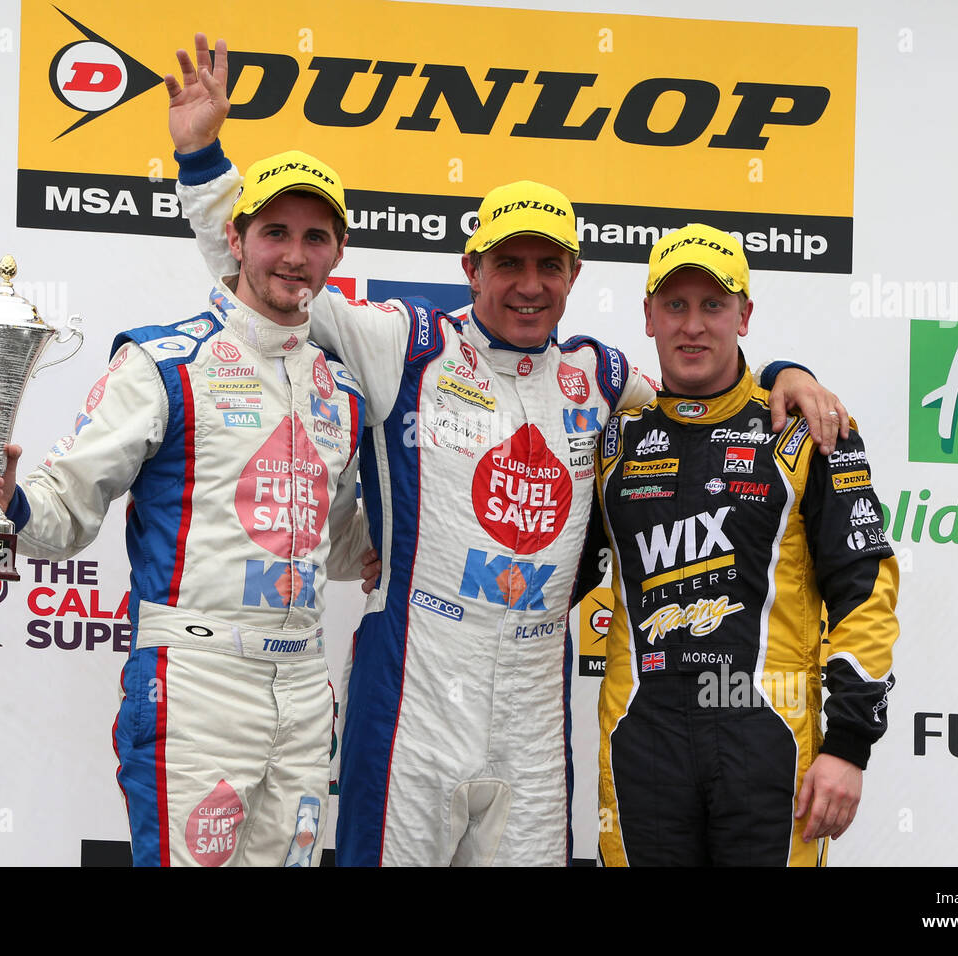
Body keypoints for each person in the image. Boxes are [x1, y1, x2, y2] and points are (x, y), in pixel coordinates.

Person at [167, 35, 850, 866]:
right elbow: (273, 284)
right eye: (508, 263)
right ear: (470, 267)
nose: (528, 284)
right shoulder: (405, 344)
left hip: (533, 706)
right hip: (414, 691)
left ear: (573, 274)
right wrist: (203, 156)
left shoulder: (597, 376)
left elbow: (698, 389)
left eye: (547, 265)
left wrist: (787, 372)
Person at [0, 136, 370, 866]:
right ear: (235, 238)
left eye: (315, 237)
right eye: (274, 232)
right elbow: (69, 508)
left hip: (306, 693)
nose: (294, 255)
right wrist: (11, 502)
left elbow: (337, 544)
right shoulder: (164, 362)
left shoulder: (341, 390)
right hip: (196, 681)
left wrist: (414, 544)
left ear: (338, 252)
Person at [583, 224, 899, 866]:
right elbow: (548, 558)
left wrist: (848, 745)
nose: (693, 326)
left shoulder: (806, 429)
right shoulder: (611, 439)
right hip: (641, 735)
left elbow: (865, 591)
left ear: (745, 315)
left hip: (767, 735)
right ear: (648, 316)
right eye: (675, 305)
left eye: (713, 305)